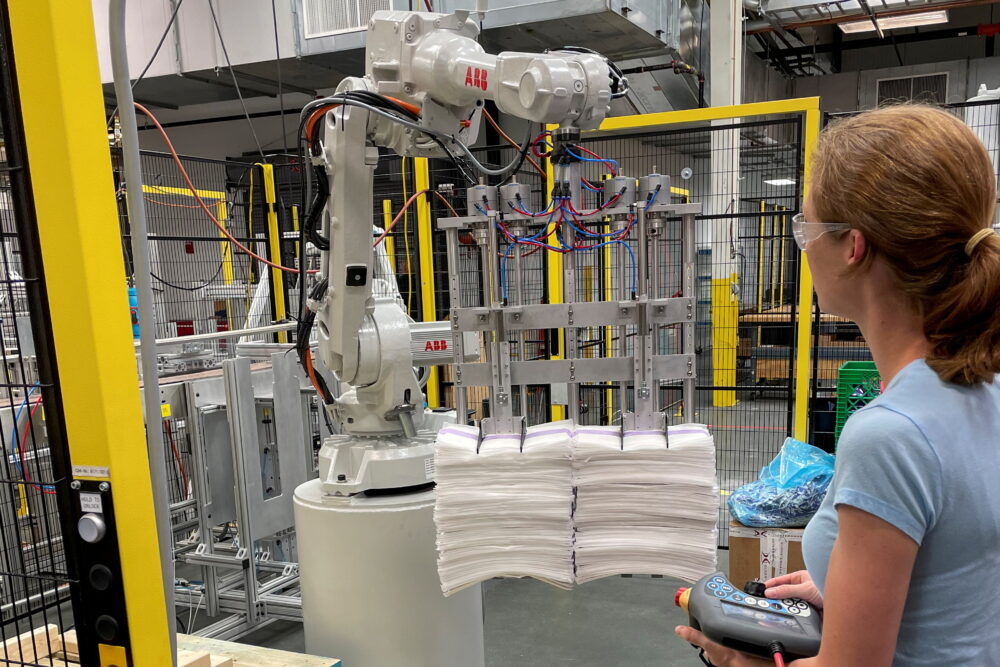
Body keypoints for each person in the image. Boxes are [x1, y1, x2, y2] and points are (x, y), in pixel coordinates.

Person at [676, 104, 1000, 666]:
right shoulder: (984, 384)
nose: (804, 249)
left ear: (853, 246)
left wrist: (736, 660)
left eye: (806, 229)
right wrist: (851, 592)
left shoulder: (891, 435)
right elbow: (963, 571)